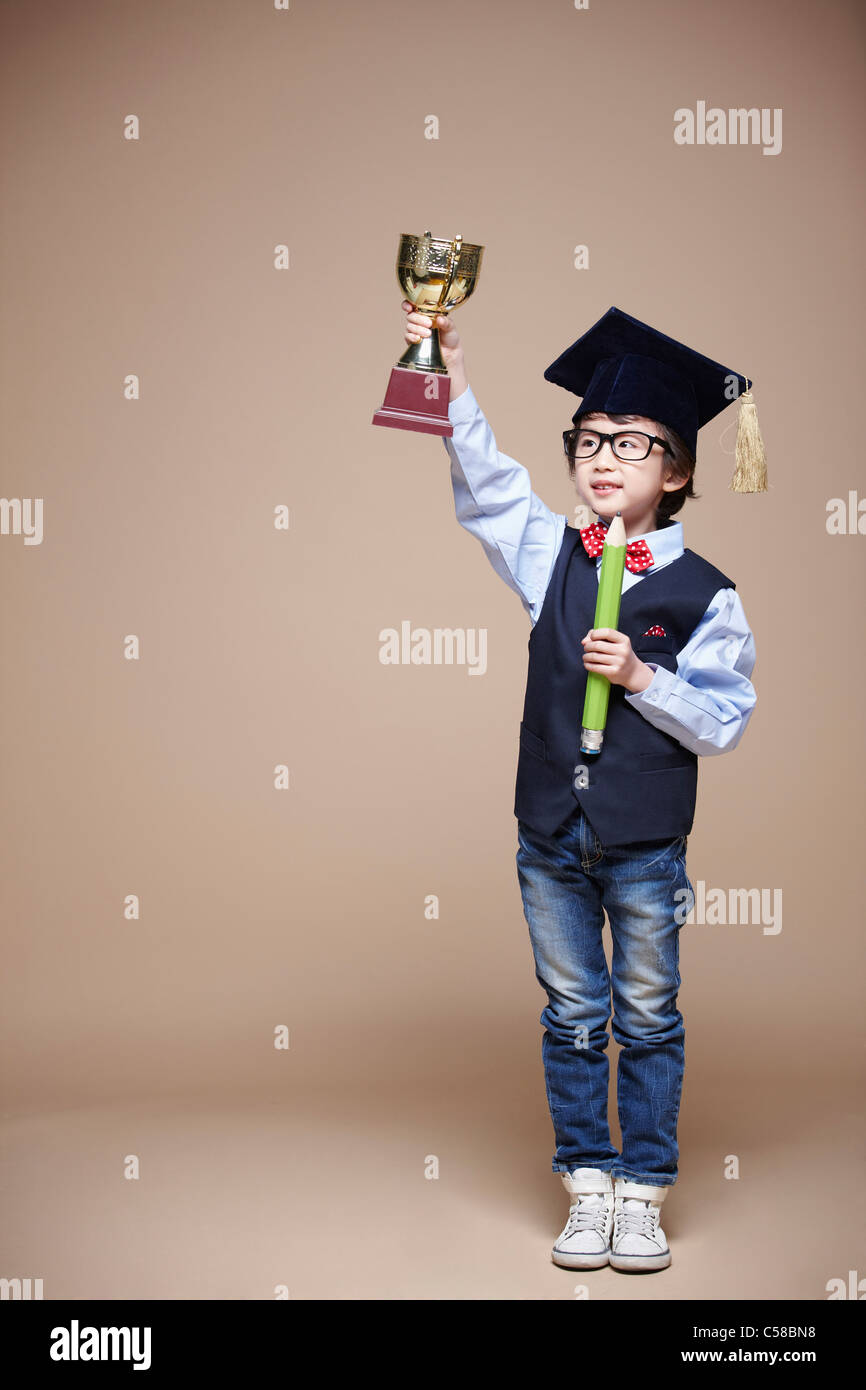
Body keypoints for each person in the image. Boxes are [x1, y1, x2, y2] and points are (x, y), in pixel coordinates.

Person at [401, 300, 762, 1273]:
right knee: (570, 1011)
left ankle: (642, 1189)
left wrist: (643, 680)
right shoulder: (549, 555)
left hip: (644, 843)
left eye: (630, 443)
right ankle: (587, 1179)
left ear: (675, 469)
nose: (602, 459)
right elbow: (481, 480)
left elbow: (725, 718)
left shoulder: (703, 593)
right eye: (588, 440)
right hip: (548, 838)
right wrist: (442, 362)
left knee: (645, 1009)